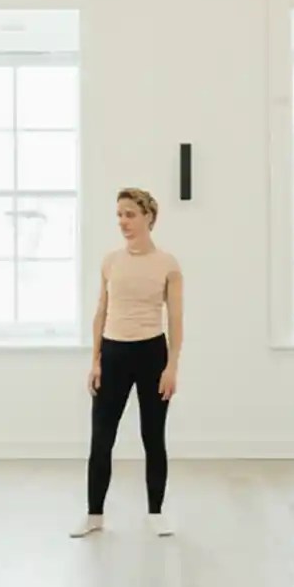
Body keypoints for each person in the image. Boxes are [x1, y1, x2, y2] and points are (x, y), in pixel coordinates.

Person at [70, 187, 183, 538]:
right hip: (114, 353)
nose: (123, 222)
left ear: (148, 216)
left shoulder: (167, 264)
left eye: (130, 214)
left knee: (153, 436)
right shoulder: (110, 261)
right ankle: (93, 515)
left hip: (152, 353)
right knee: (101, 438)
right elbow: (100, 313)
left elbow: (177, 320)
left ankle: (155, 512)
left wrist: (172, 367)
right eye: (119, 214)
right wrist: (95, 361)